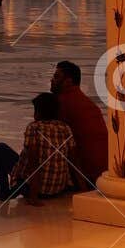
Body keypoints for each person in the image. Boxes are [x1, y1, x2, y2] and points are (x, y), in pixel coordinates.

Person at [0, 92, 74, 204]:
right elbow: (74, 159)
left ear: (38, 113)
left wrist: (33, 196)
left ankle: (4, 195)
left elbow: (33, 162)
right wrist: (83, 190)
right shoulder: (65, 128)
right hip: (58, 189)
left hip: (38, 190)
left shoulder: (34, 128)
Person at [51, 59, 108, 188]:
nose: (52, 80)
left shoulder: (61, 103)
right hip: (104, 173)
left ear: (68, 82)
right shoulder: (88, 103)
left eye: (56, 76)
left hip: (85, 177)